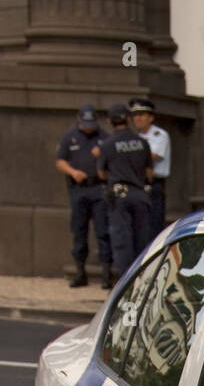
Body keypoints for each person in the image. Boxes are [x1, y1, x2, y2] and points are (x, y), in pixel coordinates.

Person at [55, 104, 113, 289]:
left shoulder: (104, 137)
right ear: (78, 119)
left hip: (99, 188)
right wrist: (72, 172)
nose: (89, 127)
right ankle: (80, 271)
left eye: (92, 123)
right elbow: (60, 161)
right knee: (79, 231)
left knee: (103, 231)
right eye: (85, 123)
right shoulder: (69, 137)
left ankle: (106, 273)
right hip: (79, 188)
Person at [94, 103, 152, 276]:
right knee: (142, 239)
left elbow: (101, 173)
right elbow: (150, 172)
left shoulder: (107, 145)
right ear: (128, 119)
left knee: (122, 241)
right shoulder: (142, 143)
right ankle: (143, 277)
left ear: (110, 121)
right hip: (140, 194)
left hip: (119, 196)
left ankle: (126, 281)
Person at [128, 97, 171, 240]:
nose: (138, 119)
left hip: (154, 184)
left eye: (142, 115)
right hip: (137, 185)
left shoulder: (159, 135)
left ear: (151, 117)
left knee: (154, 225)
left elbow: (152, 156)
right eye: (135, 115)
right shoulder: (135, 137)